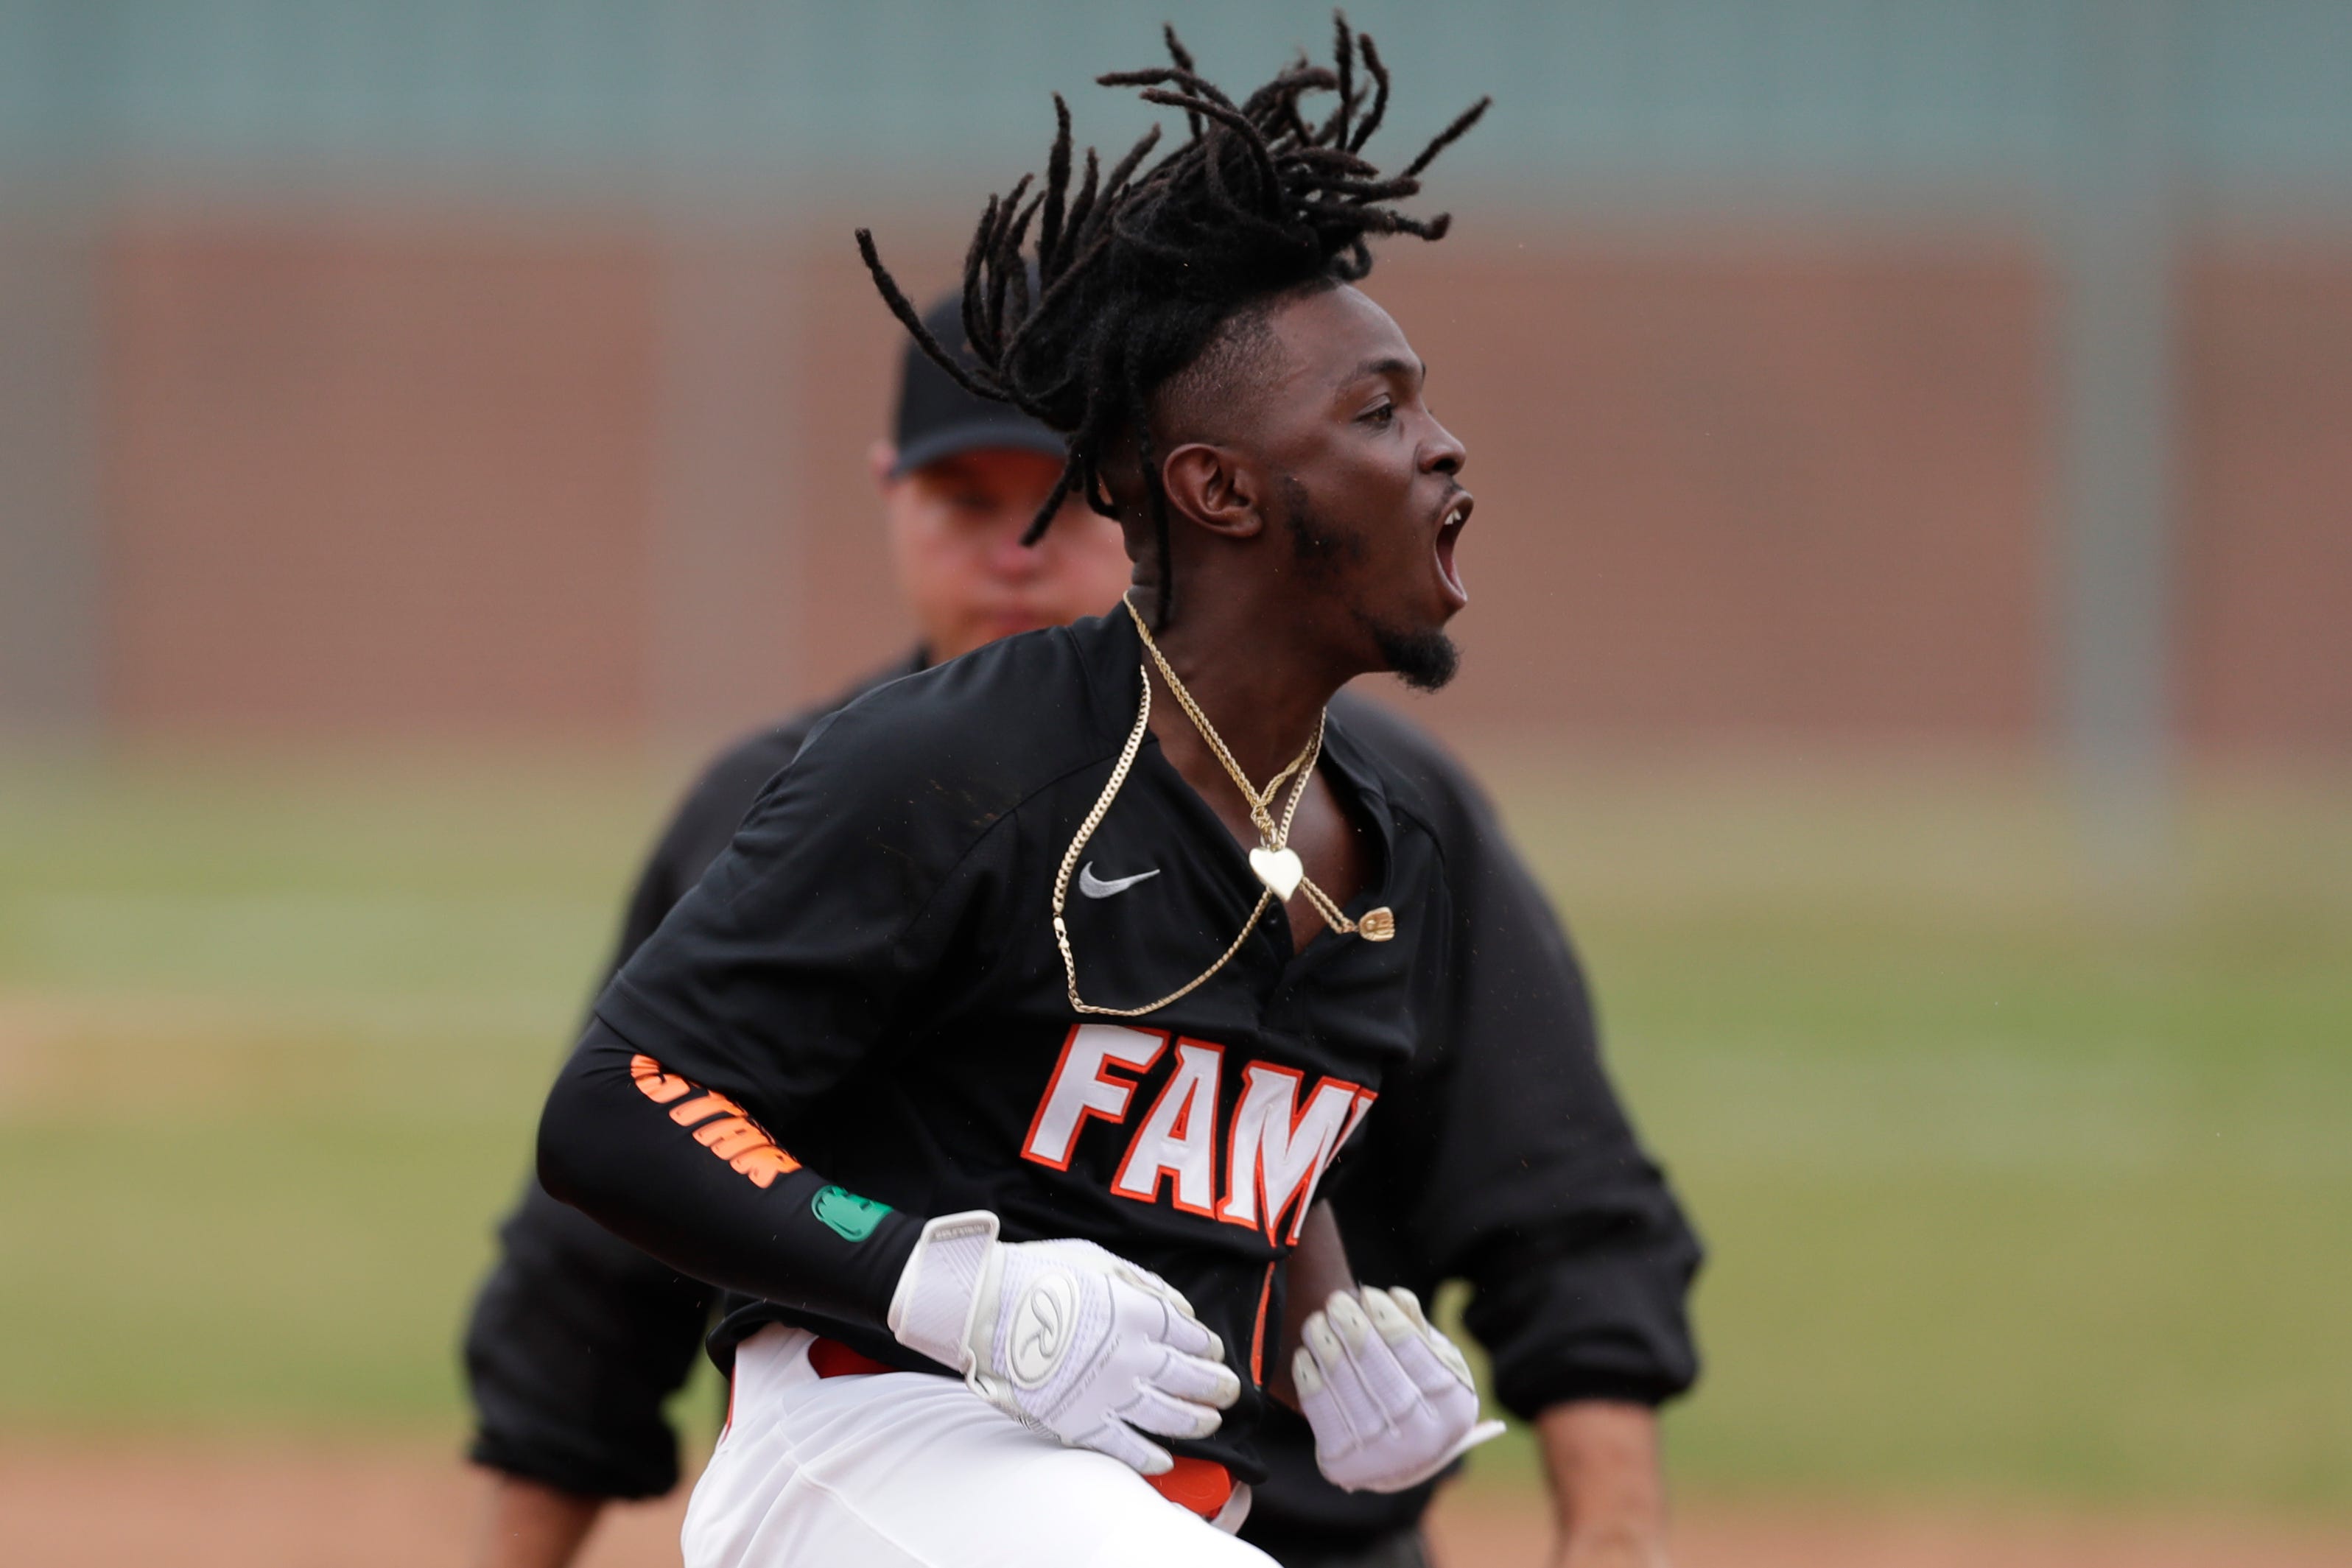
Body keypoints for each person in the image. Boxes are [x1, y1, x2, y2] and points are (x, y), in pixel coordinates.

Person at [474, 22, 1698, 1568]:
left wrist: (1326, 1338)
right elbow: (615, 1115)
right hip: (880, 1450)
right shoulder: (945, 768)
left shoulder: (1374, 831)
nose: (1441, 445)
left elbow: (1226, 1138)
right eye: (1377, 413)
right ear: (1218, 490)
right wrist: (934, 1277)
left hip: (1149, 1507)